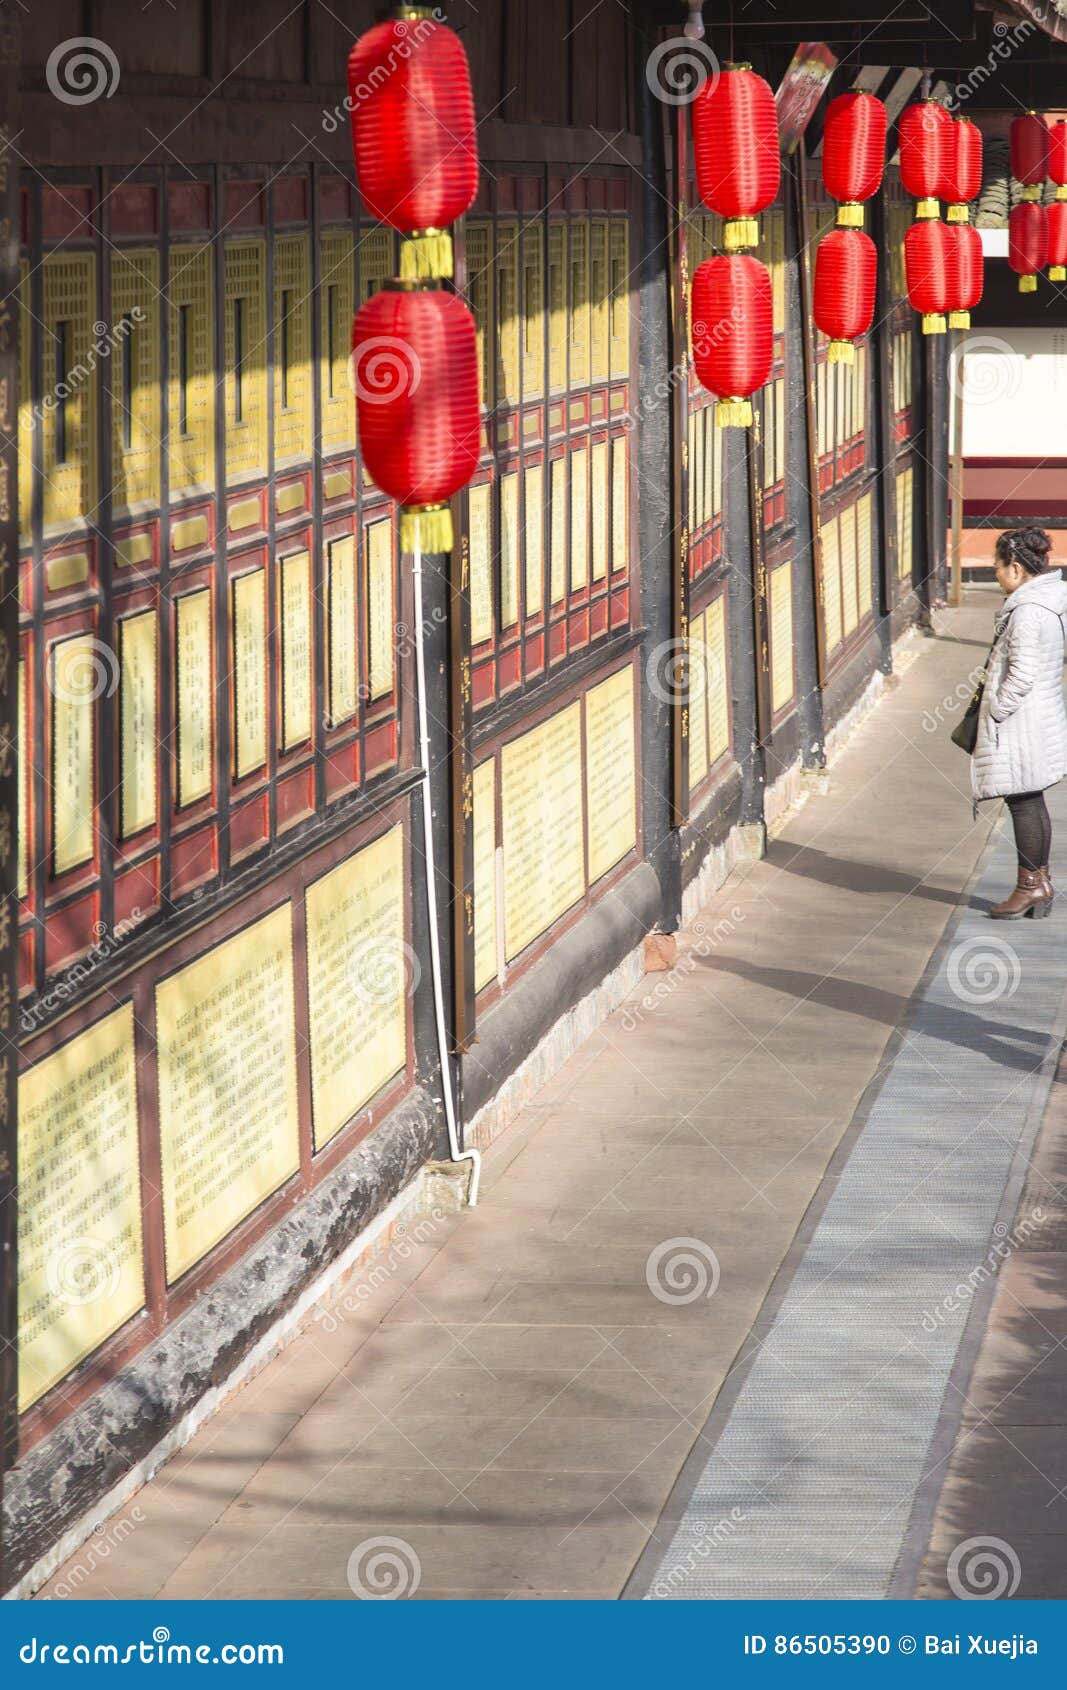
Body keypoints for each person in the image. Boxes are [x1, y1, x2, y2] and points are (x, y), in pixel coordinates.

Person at [972, 526, 1067, 919]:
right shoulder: (1052, 599)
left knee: (1023, 800)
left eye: (996, 567)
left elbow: (1022, 674)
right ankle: (1038, 882)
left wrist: (995, 710)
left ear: (1015, 567)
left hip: (1022, 721)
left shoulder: (1027, 612)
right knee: (1032, 797)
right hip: (1043, 714)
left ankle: (1031, 886)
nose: (995, 574)